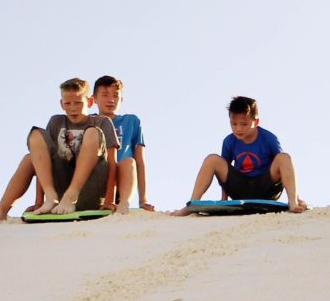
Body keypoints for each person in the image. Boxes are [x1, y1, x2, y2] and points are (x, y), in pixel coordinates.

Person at [0, 78, 120, 219]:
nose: (73, 108)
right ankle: (1, 211)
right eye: (67, 103)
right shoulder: (56, 122)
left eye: (78, 103)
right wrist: (39, 201)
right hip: (61, 192)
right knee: (34, 140)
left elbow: (112, 162)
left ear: (90, 102)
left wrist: (109, 199)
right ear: (61, 104)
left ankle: (71, 195)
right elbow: (42, 160)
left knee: (93, 132)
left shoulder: (102, 122)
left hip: (90, 189)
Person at [172, 95, 307, 214]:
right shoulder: (229, 141)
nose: (238, 128)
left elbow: (285, 168)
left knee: (284, 157)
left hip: (265, 188)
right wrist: (223, 201)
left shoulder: (268, 138)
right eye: (234, 123)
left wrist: (297, 197)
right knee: (212, 159)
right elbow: (223, 174)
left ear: (256, 122)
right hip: (240, 188)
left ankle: (293, 202)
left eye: (244, 124)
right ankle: (192, 203)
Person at [92, 75, 153, 211]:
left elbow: (140, 161)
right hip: (96, 177)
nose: (111, 100)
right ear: (94, 99)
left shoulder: (131, 121)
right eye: (105, 95)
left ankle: (124, 204)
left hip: (122, 180)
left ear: (122, 99)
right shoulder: (90, 121)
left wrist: (143, 200)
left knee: (129, 162)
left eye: (115, 96)